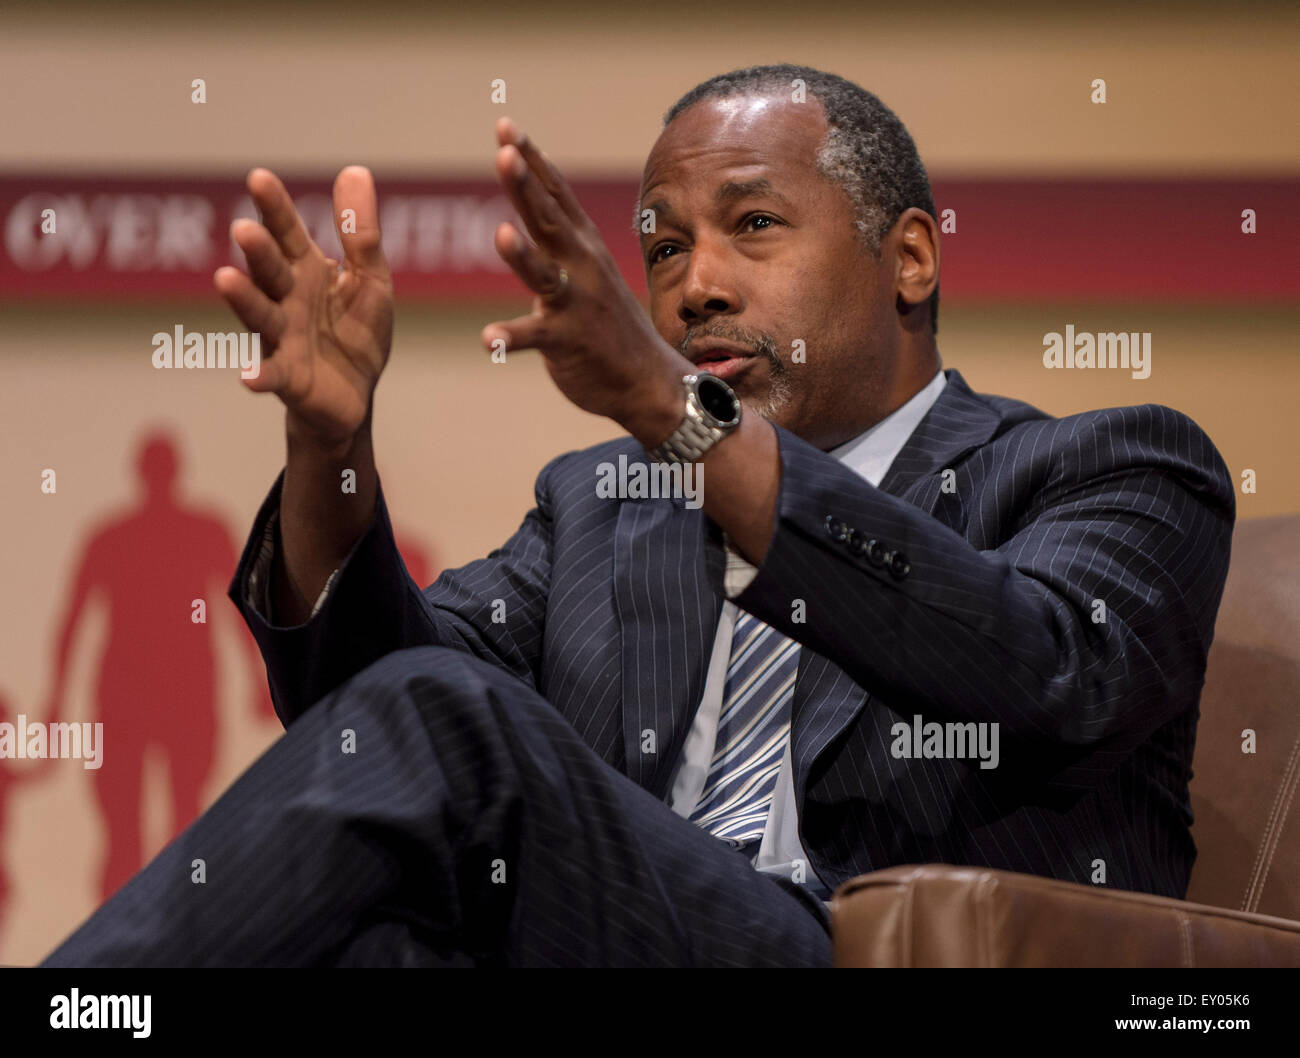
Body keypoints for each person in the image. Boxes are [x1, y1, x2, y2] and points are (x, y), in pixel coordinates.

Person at [40, 64, 1234, 968]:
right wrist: (331, 444)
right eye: (661, 248)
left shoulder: (1113, 465)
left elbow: (1048, 675)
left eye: (753, 225)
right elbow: (372, 714)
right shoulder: (603, 505)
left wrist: (680, 417)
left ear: (910, 256)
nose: (693, 284)